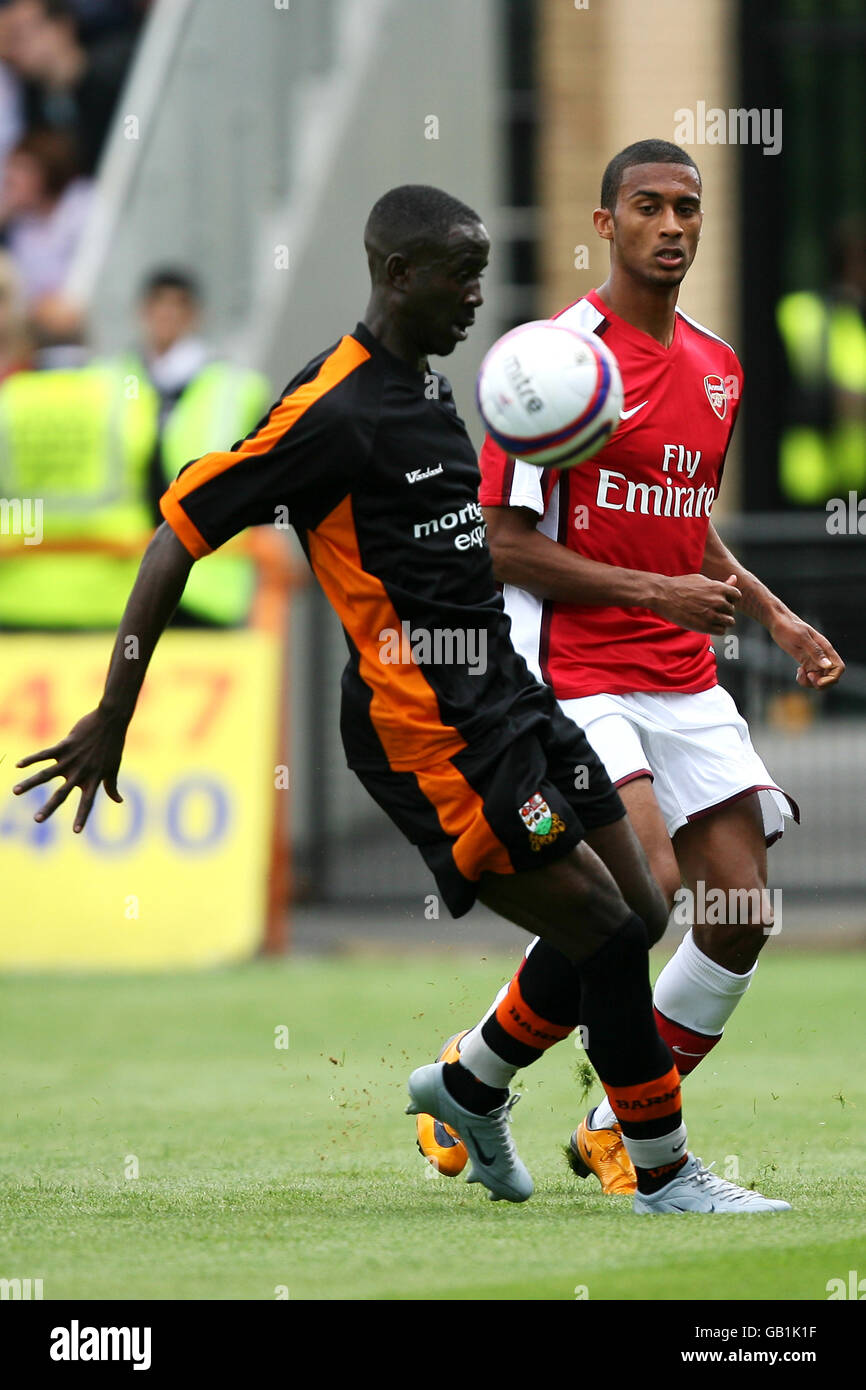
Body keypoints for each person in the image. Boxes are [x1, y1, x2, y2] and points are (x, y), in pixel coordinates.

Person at [12, 183, 791, 1214]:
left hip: (509, 695)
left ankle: (466, 1086)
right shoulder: (330, 410)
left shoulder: (426, 388)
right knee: (604, 934)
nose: (477, 296)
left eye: (479, 274)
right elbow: (176, 535)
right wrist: (115, 710)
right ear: (395, 276)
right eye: (459, 276)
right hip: (423, 729)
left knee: (640, 911)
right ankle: (660, 1172)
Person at [413, 143, 844, 1198]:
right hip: (572, 665)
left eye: (686, 208)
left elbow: (681, 522)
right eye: (646, 206)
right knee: (638, 887)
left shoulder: (717, 366)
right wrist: (653, 597)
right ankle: (653, 1154)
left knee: (738, 910)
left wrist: (773, 612)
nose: (670, 225)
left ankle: (530, 1095)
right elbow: (503, 544)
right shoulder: (550, 361)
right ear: (603, 222)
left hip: (678, 670)